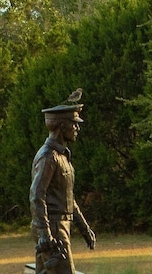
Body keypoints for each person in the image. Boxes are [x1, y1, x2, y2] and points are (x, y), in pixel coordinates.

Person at [31, 89, 97, 274]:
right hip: (52, 228)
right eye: (74, 124)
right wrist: (44, 232)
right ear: (62, 126)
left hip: (58, 226)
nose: (77, 128)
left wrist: (84, 228)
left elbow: (67, 198)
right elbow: (37, 194)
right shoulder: (48, 157)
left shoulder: (62, 157)